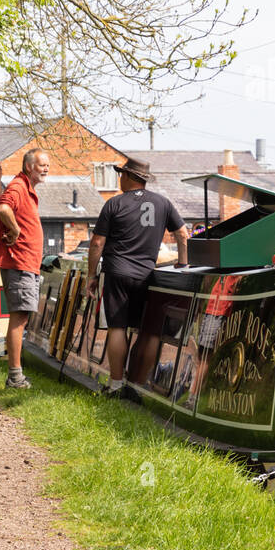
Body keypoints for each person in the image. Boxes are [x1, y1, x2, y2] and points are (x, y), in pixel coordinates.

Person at [87, 157, 189, 395]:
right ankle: (138, 384)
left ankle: (116, 384)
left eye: (122, 174)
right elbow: (183, 235)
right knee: (149, 330)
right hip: (147, 276)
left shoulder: (114, 204)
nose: (119, 178)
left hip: (117, 272)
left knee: (117, 327)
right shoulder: (163, 203)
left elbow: (97, 243)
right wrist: (183, 265)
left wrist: (91, 275)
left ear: (130, 177)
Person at [0, 148, 50, 389]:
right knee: (18, 318)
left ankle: (15, 375)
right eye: (42, 165)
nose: (46, 169)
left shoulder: (27, 189)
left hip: (26, 263)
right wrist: (15, 230)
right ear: (29, 167)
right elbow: (3, 207)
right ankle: (15, 376)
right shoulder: (18, 186)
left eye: (47, 165)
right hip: (19, 262)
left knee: (21, 317)